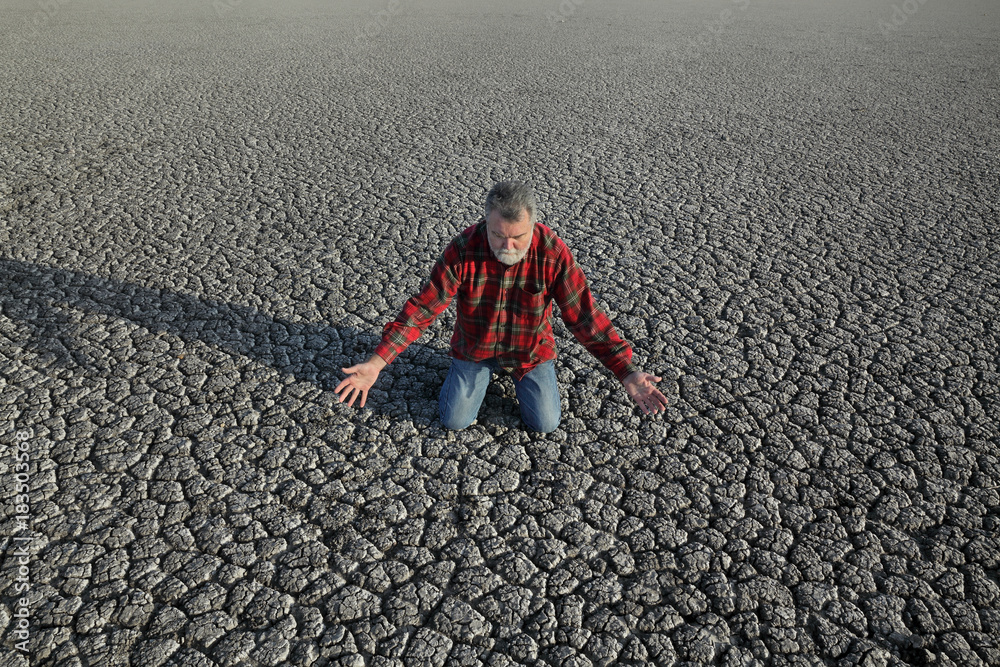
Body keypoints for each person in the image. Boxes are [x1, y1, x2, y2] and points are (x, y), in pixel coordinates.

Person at [334, 181, 669, 432]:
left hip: (529, 354)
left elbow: (584, 315)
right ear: (486, 223)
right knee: (454, 421)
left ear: (533, 226)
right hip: (475, 349)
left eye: (518, 237)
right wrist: (378, 362)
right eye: (498, 235)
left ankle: (510, 377)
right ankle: (461, 373)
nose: (508, 246)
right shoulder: (465, 248)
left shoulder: (552, 252)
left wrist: (625, 370)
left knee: (546, 424)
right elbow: (425, 306)